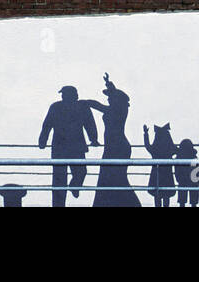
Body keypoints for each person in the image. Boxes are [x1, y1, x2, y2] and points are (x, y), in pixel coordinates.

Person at [83, 73, 141, 207]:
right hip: (113, 146)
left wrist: (87, 102)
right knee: (111, 177)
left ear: (116, 99)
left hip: (117, 147)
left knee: (115, 177)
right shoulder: (116, 109)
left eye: (110, 97)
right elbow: (100, 105)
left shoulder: (118, 110)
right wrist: (108, 83)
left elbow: (99, 106)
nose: (108, 99)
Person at [38, 86, 99, 206]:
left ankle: (74, 187)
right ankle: (61, 202)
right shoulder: (56, 107)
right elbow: (47, 125)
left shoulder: (80, 107)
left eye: (64, 94)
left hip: (70, 147)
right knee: (61, 179)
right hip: (64, 148)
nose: (62, 96)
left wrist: (94, 139)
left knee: (80, 172)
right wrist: (42, 141)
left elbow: (89, 124)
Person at [174, 138, 199, 207]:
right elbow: (198, 171)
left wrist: (178, 179)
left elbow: (176, 171)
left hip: (183, 181)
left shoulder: (178, 158)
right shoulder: (194, 158)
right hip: (193, 181)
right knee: (193, 201)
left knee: (182, 201)